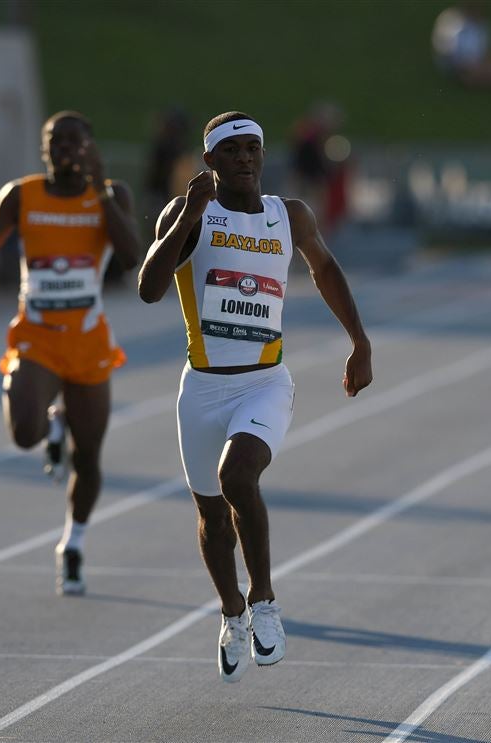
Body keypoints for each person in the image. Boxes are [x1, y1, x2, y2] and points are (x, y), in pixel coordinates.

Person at [137, 111, 372, 682]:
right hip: (202, 388)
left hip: (265, 381)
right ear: (210, 160)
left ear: (264, 156)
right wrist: (188, 215)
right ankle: (231, 611)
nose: (244, 158)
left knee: (238, 477)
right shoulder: (189, 213)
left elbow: (325, 268)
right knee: (212, 517)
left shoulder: (288, 215)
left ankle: (264, 600)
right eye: (231, 150)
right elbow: (148, 289)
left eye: (253, 149)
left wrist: (359, 342)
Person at [0, 111, 141, 596]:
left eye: (75, 142)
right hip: (36, 337)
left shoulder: (111, 195)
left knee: (89, 455)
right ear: (43, 149)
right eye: (55, 141)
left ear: (91, 148)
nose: (65, 150)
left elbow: (131, 259)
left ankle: (73, 542)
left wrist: (101, 192)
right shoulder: (22, 195)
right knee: (23, 434)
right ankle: (51, 424)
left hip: (87, 341)